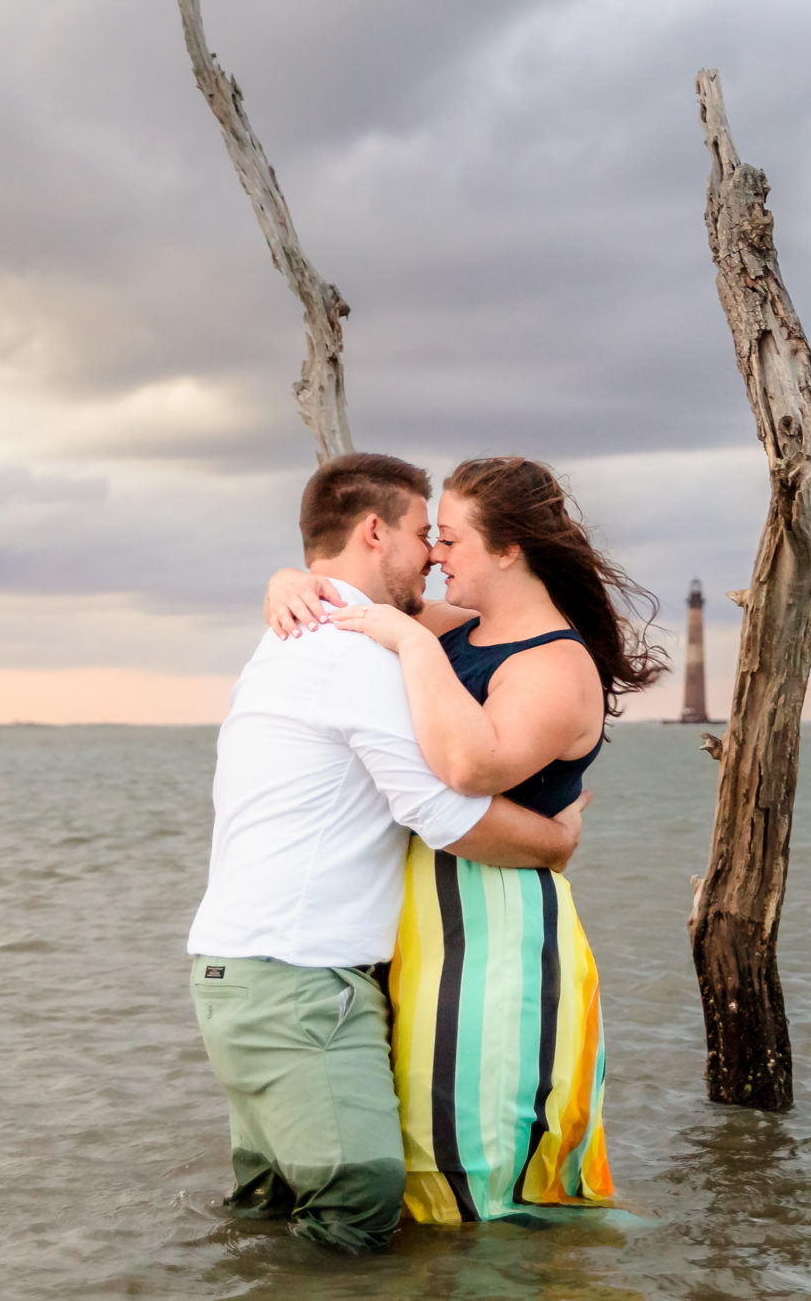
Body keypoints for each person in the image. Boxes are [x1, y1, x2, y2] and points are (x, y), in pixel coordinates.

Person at [187, 452, 586, 1256]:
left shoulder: (295, 630)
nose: (433, 555)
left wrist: (288, 579)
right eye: (419, 534)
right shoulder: (353, 651)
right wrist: (557, 840)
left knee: (269, 1202)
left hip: (236, 971)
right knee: (360, 1189)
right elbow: (443, 807)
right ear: (374, 532)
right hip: (296, 976)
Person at [265, 455, 662, 1224]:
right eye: (433, 537)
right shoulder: (460, 630)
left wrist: (410, 648)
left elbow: (470, 764)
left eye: (451, 538)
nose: (436, 554)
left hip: (496, 935)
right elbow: (350, 595)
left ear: (509, 547)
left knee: (480, 1165)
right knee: (419, 1156)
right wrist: (287, 579)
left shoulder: (556, 661)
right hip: (425, 931)